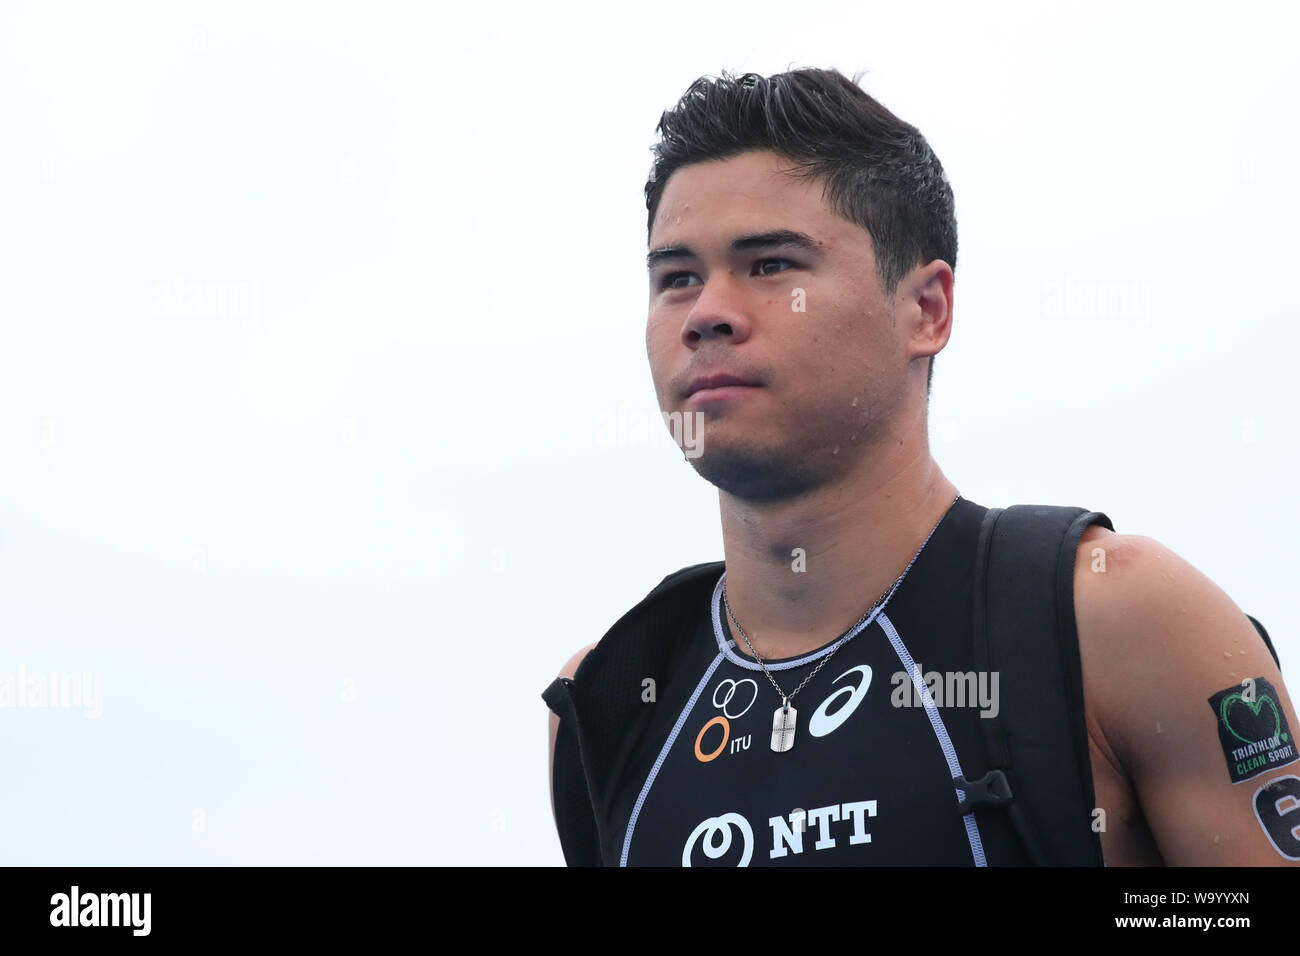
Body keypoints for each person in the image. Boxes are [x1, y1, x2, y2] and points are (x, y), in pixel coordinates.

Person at [545, 67, 1299, 866]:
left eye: (770, 266)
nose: (707, 315)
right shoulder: (608, 701)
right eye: (678, 279)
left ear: (926, 310)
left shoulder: (1117, 619)